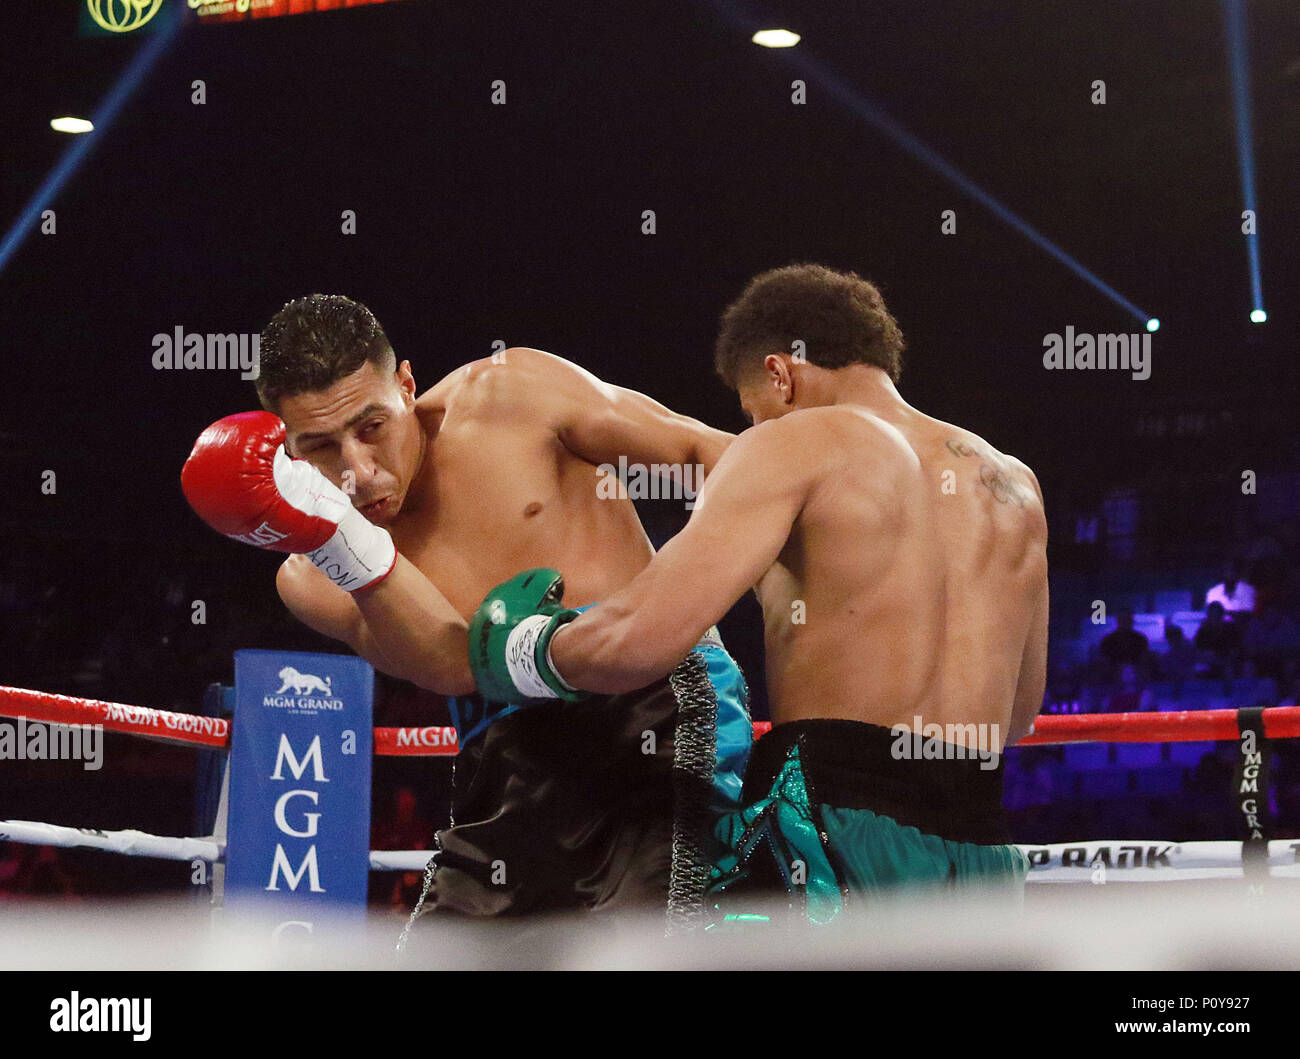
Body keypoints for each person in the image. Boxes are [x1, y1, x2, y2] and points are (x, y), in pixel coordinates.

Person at [469, 263, 1046, 924]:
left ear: (781, 373)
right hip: (980, 851)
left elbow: (638, 639)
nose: (751, 428)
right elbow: (1020, 712)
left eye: (752, 410)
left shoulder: (795, 442)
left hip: (823, 835)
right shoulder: (1016, 485)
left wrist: (520, 646)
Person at [180, 294, 751, 920]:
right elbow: (452, 664)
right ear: (287, 447)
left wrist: (675, 605)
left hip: (656, 706)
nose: (359, 472)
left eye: (373, 427)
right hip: (502, 754)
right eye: (319, 446)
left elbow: (712, 460)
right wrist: (343, 540)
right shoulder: (311, 575)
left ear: (406, 384)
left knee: (645, 945)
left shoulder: (514, 396)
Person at [1194, 601, 1243, 678]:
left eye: (1217, 615)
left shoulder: (1231, 629)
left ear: (1222, 615)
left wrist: (1226, 661)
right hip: (1208, 663)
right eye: (1213, 615)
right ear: (1208, 616)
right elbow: (1198, 650)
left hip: (1228, 663)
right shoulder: (1203, 631)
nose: (1215, 618)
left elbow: (1236, 649)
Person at [1097, 607, 1149, 678]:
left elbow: (1144, 661)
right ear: (1118, 620)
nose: (1126, 622)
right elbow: (1104, 662)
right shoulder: (1107, 641)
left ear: (1132, 620)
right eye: (1123, 619)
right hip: (1113, 679)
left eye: (1128, 619)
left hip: (1137, 678)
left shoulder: (1141, 639)